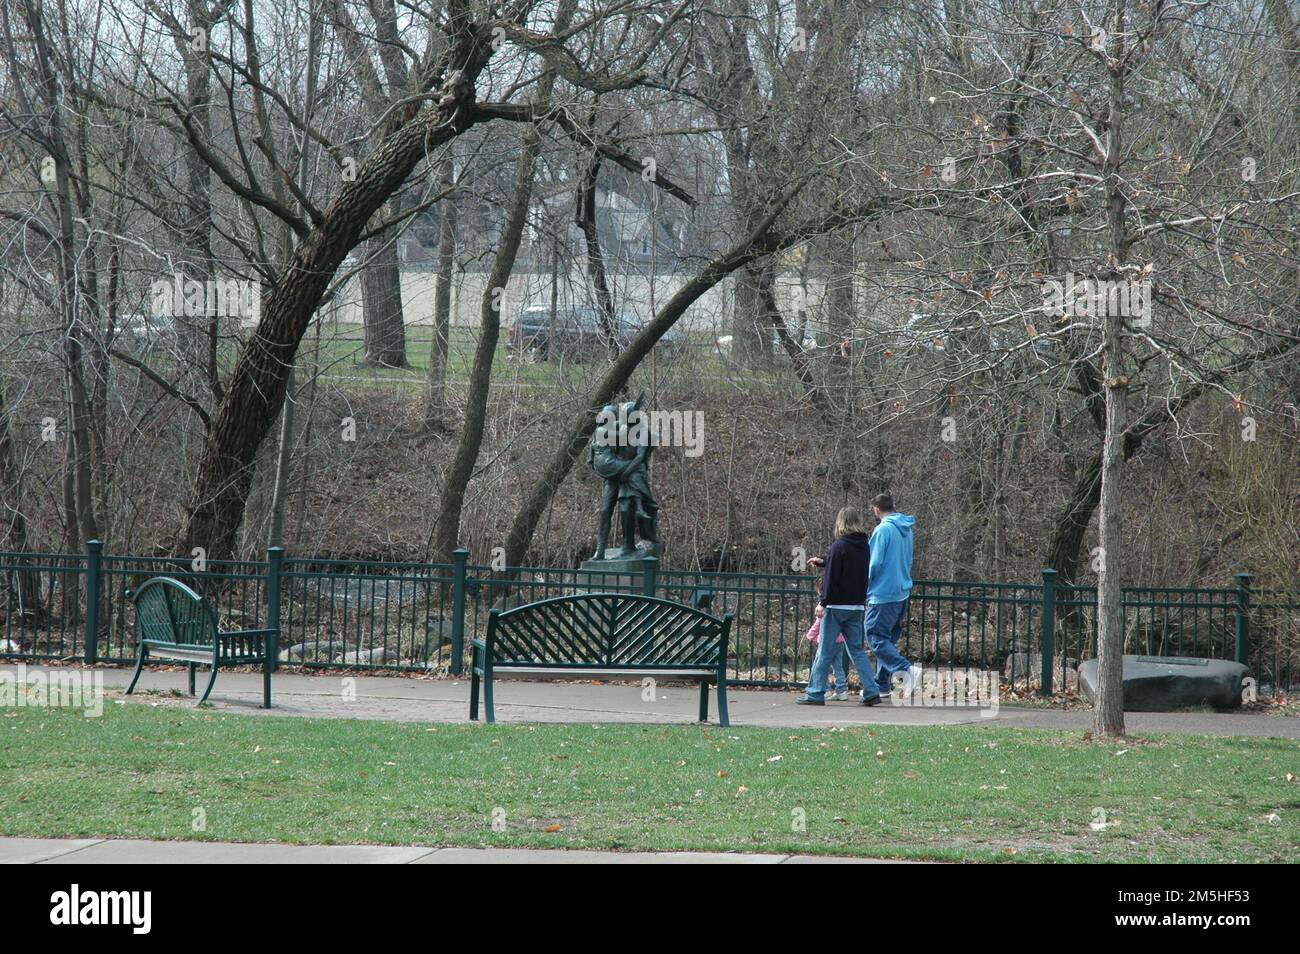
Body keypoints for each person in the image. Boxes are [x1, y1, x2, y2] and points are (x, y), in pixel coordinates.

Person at [796, 507, 882, 707]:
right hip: (856, 607)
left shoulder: (839, 546)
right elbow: (848, 568)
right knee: (857, 651)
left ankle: (815, 691)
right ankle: (871, 690)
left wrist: (822, 603)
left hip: (835, 607)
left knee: (825, 651)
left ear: (841, 523)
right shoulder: (864, 546)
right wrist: (824, 562)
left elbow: (832, 578)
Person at [865, 493, 920, 700]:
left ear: (876, 509)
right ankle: (882, 683)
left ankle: (905, 670)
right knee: (888, 638)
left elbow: (874, 563)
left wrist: (865, 585)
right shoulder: (906, 530)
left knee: (875, 637)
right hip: (901, 592)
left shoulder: (883, 530)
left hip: (883, 593)